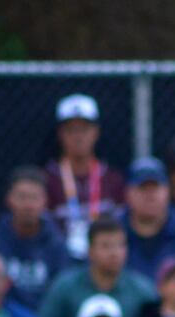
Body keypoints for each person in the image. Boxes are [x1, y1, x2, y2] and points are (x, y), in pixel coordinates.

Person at [37, 216, 156, 317]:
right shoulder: (65, 285)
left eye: (120, 245)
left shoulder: (142, 290)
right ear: (90, 251)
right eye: (106, 246)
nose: (115, 253)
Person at [0, 166, 70, 311]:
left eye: (34, 198)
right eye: (22, 197)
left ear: (45, 201)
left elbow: (61, 297)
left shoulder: (57, 245)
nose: (28, 205)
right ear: (9, 199)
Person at [46, 93, 125, 260]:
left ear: (96, 132)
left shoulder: (112, 179)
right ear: (60, 134)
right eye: (71, 130)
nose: (78, 136)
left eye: (84, 129)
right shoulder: (47, 179)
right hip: (61, 260)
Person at [120, 156, 175, 280]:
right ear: (128, 193)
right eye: (143, 188)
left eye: (155, 188)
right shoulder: (114, 229)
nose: (150, 196)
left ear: (167, 191)